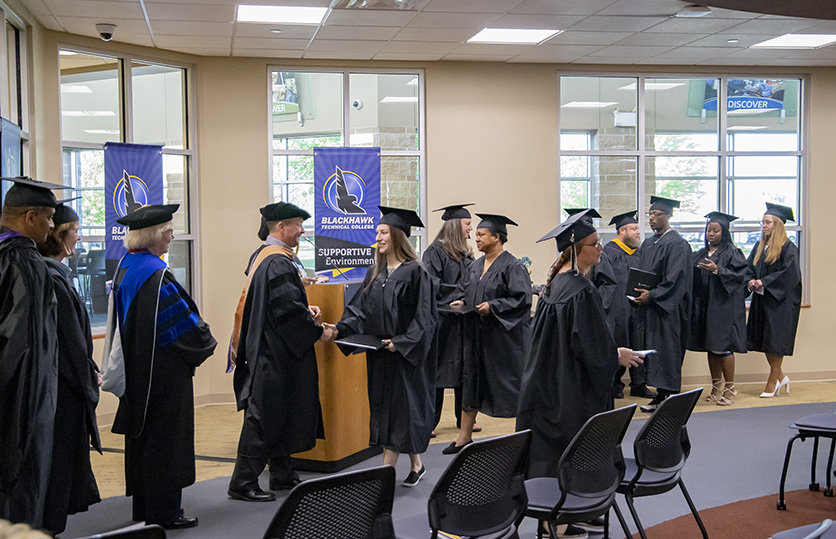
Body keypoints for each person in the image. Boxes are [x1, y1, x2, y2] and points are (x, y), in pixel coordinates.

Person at [517, 209, 644, 539]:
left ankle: (568, 517)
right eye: (594, 243)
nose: (600, 248)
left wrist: (609, 354)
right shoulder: (580, 291)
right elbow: (591, 350)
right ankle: (556, 522)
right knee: (571, 448)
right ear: (575, 249)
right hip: (569, 387)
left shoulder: (559, 284)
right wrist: (615, 356)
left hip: (548, 384)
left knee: (558, 453)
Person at [102, 204, 217, 529]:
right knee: (165, 440)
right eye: (168, 232)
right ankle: (166, 512)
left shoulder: (128, 266)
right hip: (163, 376)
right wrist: (205, 338)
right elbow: (183, 328)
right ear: (153, 236)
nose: (172, 236)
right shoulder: (155, 273)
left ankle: (147, 508)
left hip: (139, 371)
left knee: (145, 439)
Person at [228, 202, 336, 503]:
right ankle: (243, 481)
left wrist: (305, 309)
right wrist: (317, 330)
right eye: (298, 224)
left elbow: (282, 304)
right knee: (262, 417)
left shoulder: (266, 257)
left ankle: (282, 472)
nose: (302, 231)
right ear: (281, 227)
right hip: (273, 354)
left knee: (281, 411)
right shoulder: (276, 262)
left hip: (272, 349)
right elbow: (287, 311)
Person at [335, 206, 437, 487]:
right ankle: (416, 465)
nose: (378, 237)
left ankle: (384, 476)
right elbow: (357, 311)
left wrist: (402, 343)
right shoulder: (375, 272)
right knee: (388, 411)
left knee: (400, 412)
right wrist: (338, 329)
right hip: (381, 355)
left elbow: (426, 317)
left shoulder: (416, 272)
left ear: (397, 236)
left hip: (406, 356)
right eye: (377, 232)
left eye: (383, 232)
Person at [0, 177, 66, 530]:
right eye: (49, 217)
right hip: (19, 409)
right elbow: (24, 351)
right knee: (20, 498)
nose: (52, 225)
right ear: (30, 217)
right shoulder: (27, 265)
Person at [37, 200, 102, 535]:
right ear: (60, 233)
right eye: (75, 229)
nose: (79, 236)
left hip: (65, 387)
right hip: (62, 393)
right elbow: (70, 343)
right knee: (58, 467)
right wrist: (86, 378)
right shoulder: (51, 278)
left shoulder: (58, 275)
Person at [447, 213, 532, 454]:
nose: (477, 239)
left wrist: (492, 307)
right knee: (471, 384)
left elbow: (522, 299)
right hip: (475, 337)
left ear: (497, 237)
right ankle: (463, 437)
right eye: (476, 235)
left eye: (482, 235)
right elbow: (465, 290)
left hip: (502, 341)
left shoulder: (513, 266)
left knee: (508, 389)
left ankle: (520, 437)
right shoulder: (474, 265)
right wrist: (460, 301)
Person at [422, 204, 479, 435]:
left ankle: (463, 419)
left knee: (465, 371)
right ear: (456, 226)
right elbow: (430, 284)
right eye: (467, 224)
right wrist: (457, 294)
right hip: (442, 322)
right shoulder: (434, 252)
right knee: (437, 372)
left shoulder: (467, 254)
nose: (471, 229)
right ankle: (430, 422)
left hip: (462, 321)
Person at [631, 196, 692, 413]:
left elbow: (676, 280)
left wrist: (653, 295)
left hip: (668, 310)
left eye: (657, 215)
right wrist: (636, 292)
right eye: (650, 214)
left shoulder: (678, 244)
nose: (652, 218)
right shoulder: (649, 243)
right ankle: (660, 396)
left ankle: (668, 397)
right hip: (651, 308)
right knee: (654, 352)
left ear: (669, 216)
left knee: (667, 352)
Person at [688, 212, 748, 406]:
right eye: (708, 230)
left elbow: (740, 278)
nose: (711, 234)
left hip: (724, 308)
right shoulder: (700, 253)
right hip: (706, 306)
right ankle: (716, 387)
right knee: (711, 347)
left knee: (723, 348)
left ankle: (730, 390)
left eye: (715, 230)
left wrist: (717, 270)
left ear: (724, 232)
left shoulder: (732, 252)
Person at [746, 203, 801, 398]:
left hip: (781, 303)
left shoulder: (788, 248)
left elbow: (789, 274)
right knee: (766, 341)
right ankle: (782, 377)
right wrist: (751, 281)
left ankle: (773, 381)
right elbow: (749, 268)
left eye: (768, 222)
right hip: (762, 301)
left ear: (777, 224)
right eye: (763, 222)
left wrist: (764, 281)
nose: (764, 226)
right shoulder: (760, 247)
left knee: (776, 342)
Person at [604, 210, 654, 400]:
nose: (637, 232)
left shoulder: (640, 252)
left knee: (638, 342)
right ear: (621, 230)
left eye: (637, 229)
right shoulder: (609, 252)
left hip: (638, 306)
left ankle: (639, 384)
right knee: (618, 341)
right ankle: (615, 384)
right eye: (633, 229)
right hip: (617, 308)